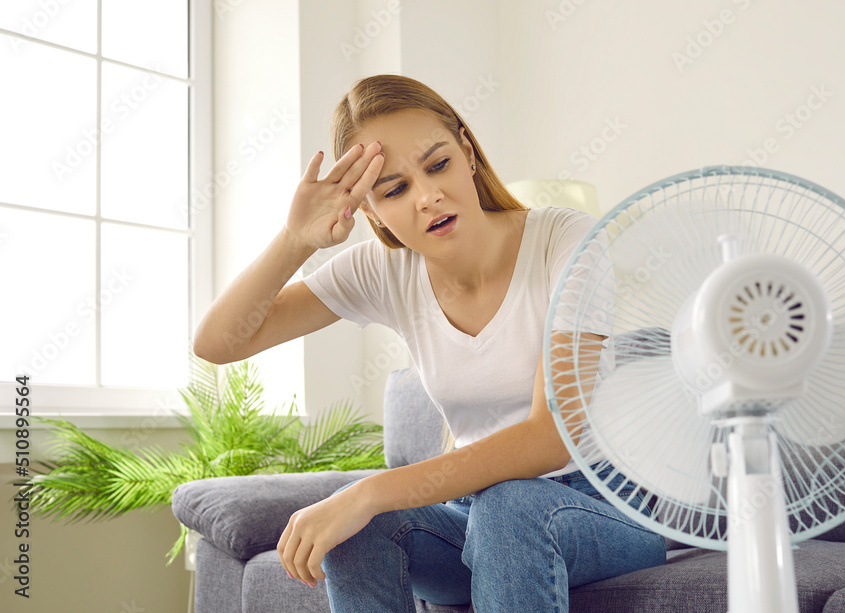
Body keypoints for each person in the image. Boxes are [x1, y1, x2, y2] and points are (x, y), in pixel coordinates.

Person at [193, 74, 667, 613]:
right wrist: (294, 240)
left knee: (505, 509)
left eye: (437, 164)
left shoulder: (565, 241)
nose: (427, 196)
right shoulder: (386, 270)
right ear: (371, 211)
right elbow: (218, 343)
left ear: (467, 151)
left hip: (602, 509)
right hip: (472, 515)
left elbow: (549, 439)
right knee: (365, 530)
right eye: (394, 190)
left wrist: (367, 492)